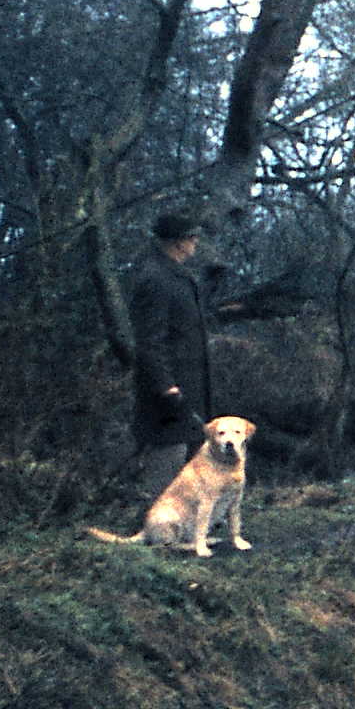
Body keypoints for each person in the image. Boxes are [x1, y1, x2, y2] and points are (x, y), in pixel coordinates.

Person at [127, 211, 215, 502]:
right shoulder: (155, 279)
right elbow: (150, 341)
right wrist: (165, 386)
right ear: (179, 242)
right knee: (168, 454)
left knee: (191, 454)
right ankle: (157, 536)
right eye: (193, 238)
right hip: (167, 391)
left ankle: (183, 532)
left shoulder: (177, 276)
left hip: (189, 383)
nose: (196, 244)